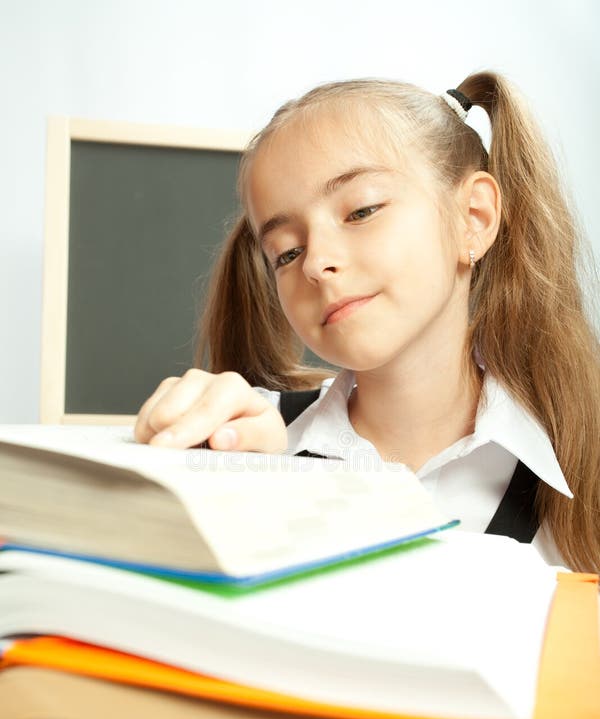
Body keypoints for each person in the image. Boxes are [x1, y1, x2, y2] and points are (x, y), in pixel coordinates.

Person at [135, 72, 600, 573]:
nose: (315, 263)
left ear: (474, 216)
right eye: (287, 252)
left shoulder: (581, 458)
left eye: (361, 211)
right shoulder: (249, 445)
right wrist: (193, 477)